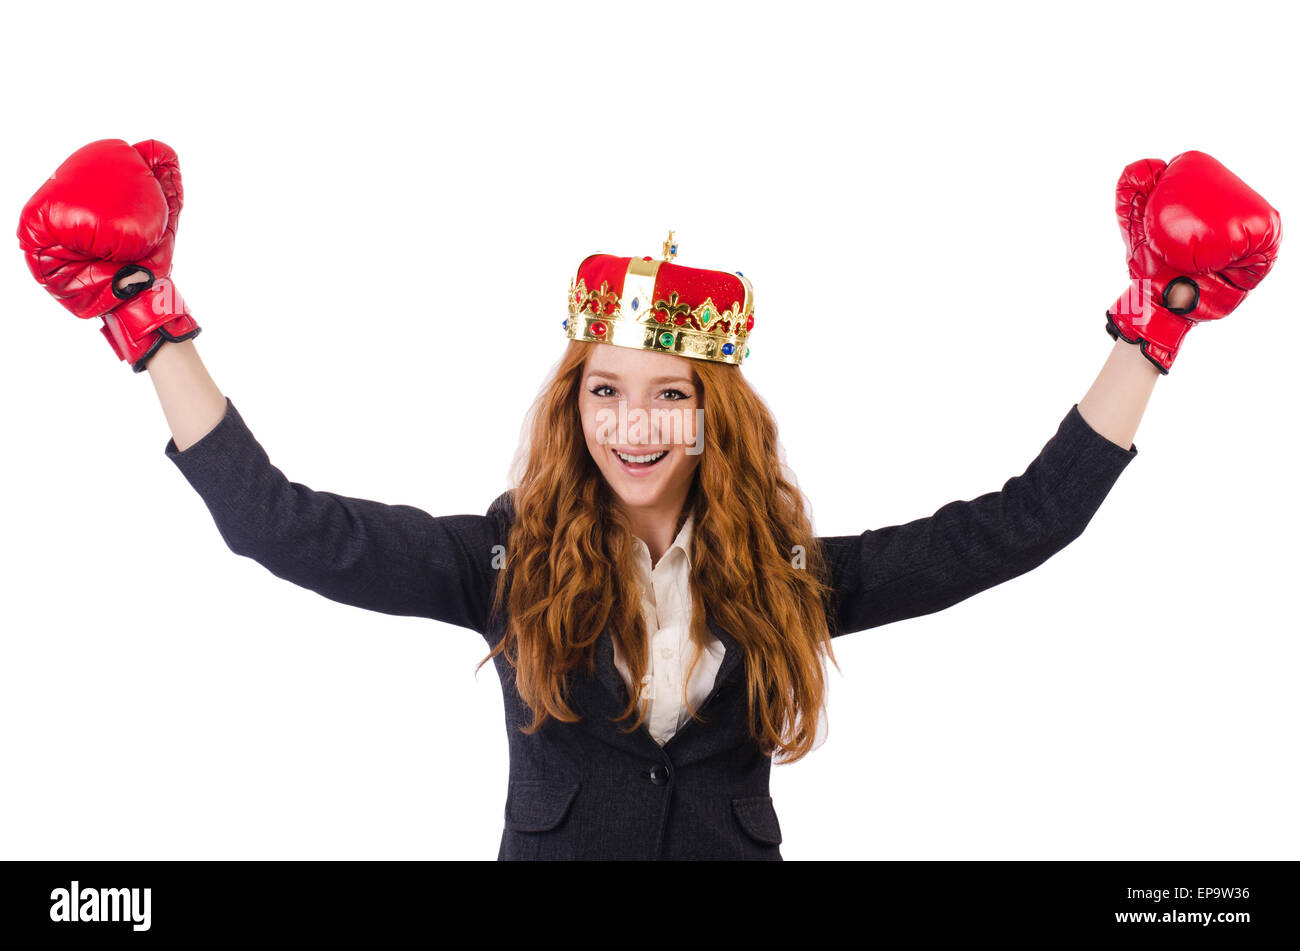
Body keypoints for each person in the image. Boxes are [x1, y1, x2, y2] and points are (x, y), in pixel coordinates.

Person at [17, 140, 1282, 861]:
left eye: (669, 396)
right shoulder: (498, 566)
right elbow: (280, 527)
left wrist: (1153, 332)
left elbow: (1019, 526)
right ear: (576, 405)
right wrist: (148, 330)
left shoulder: (786, 574)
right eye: (606, 393)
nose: (635, 425)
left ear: (709, 413)